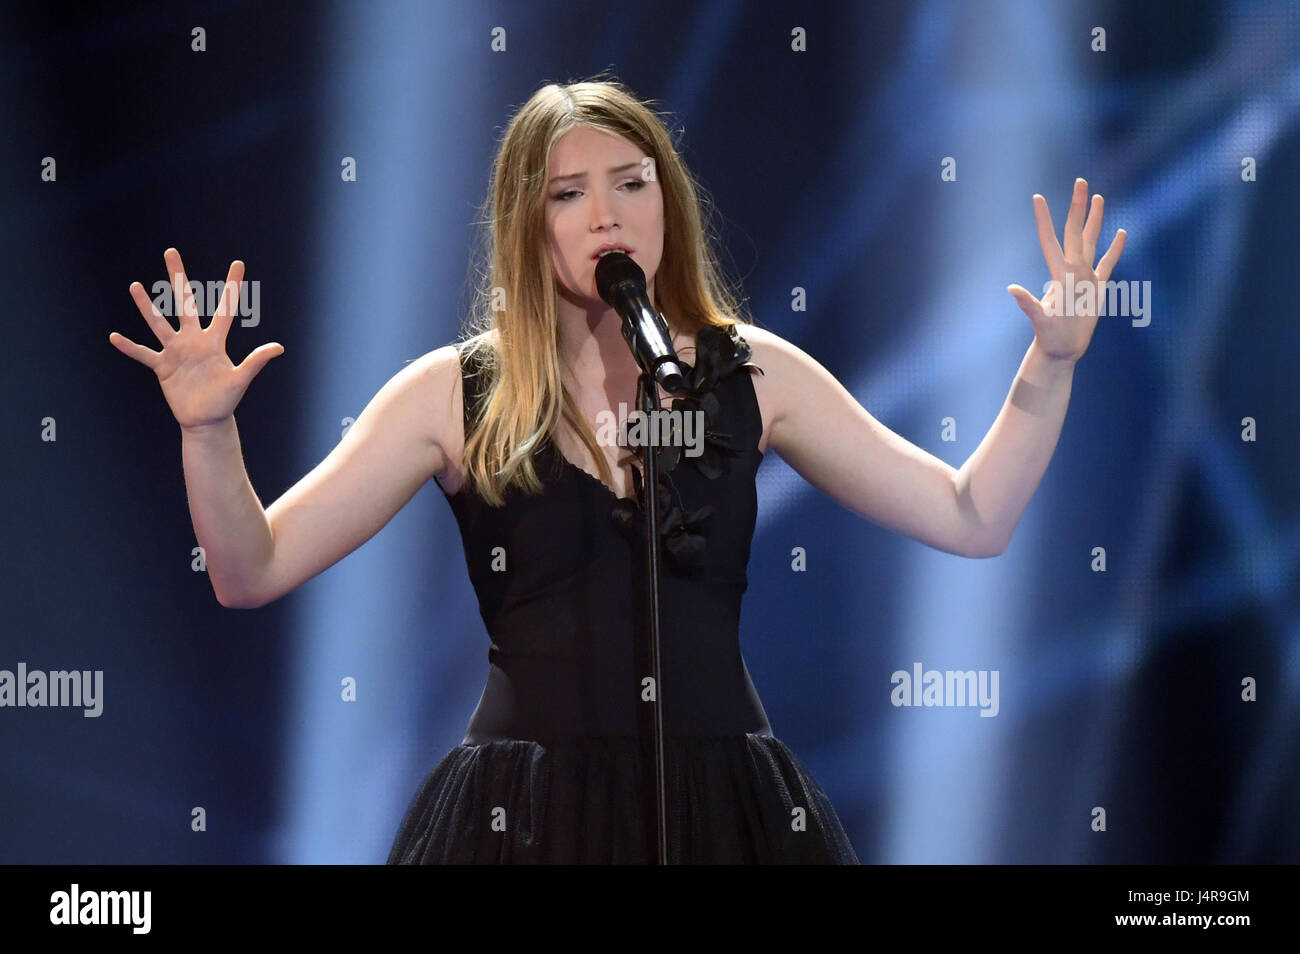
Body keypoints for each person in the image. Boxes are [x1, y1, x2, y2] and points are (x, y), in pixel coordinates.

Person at [109, 77, 1126, 864]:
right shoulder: (451, 395)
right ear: (524, 221)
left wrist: (1052, 362)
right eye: (569, 193)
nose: (607, 214)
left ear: (666, 206)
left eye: (632, 183)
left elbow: (971, 513)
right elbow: (252, 570)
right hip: (522, 817)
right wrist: (208, 433)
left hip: (724, 808)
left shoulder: (749, 375)